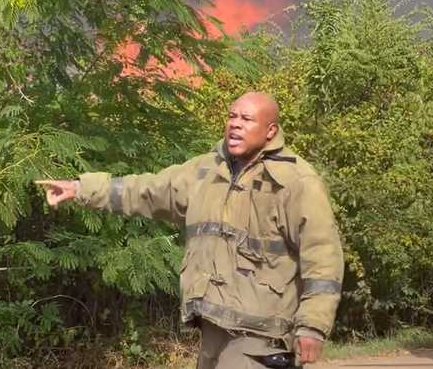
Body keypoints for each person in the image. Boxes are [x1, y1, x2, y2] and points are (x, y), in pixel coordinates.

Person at [37, 92, 343, 368]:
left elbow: (323, 257)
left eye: (247, 119)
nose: (235, 124)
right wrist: (81, 188)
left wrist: (312, 325)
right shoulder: (206, 171)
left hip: (263, 335)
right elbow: (147, 190)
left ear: (271, 131)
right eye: (232, 116)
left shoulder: (296, 182)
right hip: (213, 328)